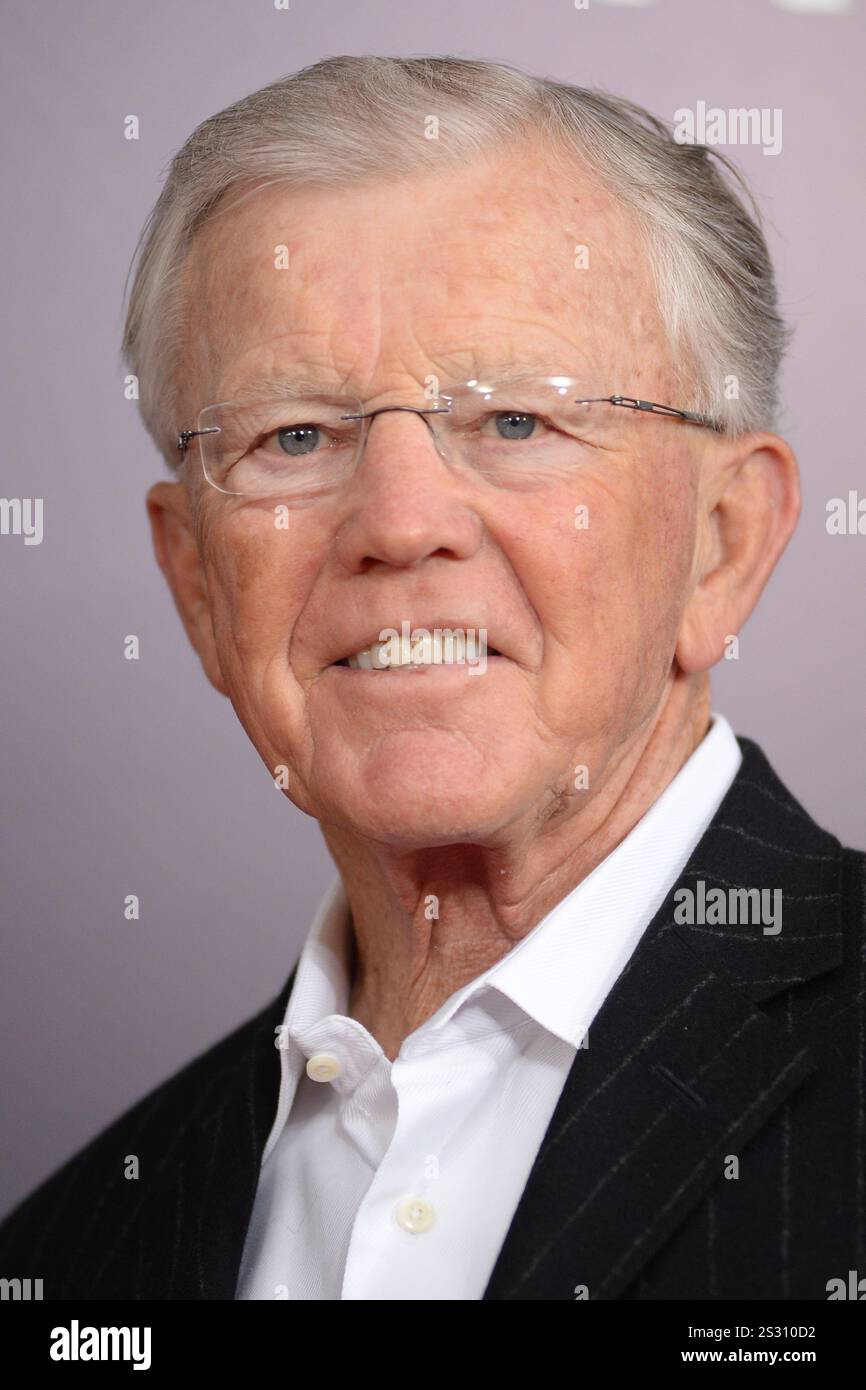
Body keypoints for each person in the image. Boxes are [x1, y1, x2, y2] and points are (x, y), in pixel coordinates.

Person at [1, 55, 862, 1301]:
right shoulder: (69, 1257)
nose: (399, 523)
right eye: (293, 436)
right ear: (197, 584)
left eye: (514, 421)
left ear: (720, 543)